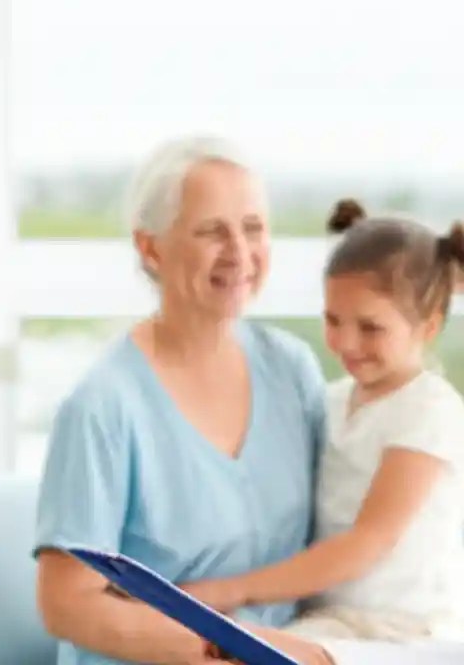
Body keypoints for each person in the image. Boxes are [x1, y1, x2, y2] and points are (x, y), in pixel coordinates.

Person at [31, 135, 335, 665]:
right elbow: (66, 605)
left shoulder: (293, 369)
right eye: (212, 231)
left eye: (254, 228)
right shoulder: (102, 406)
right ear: (151, 248)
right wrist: (235, 652)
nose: (239, 254)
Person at [180, 199, 464, 643]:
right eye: (333, 320)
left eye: (371, 327)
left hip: (403, 631)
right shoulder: (329, 401)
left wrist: (232, 590)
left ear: (428, 327)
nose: (347, 343)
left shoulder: (428, 412)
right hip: (329, 620)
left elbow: (367, 542)